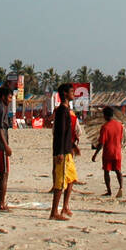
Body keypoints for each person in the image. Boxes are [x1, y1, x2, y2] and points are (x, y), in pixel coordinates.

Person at [50, 84, 79, 220]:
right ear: (65, 94)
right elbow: (59, 133)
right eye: (71, 92)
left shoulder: (67, 110)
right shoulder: (62, 111)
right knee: (60, 183)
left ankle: (65, 206)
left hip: (68, 150)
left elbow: (67, 133)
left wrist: (73, 145)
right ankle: (54, 212)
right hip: (62, 151)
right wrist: (60, 152)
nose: (74, 93)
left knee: (71, 179)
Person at [92, 105, 125, 197]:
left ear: (105, 115)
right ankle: (121, 187)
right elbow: (121, 138)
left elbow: (101, 143)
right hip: (117, 152)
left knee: (107, 171)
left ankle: (109, 191)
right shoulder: (119, 125)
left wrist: (95, 155)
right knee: (118, 170)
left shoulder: (105, 127)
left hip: (108, 153)